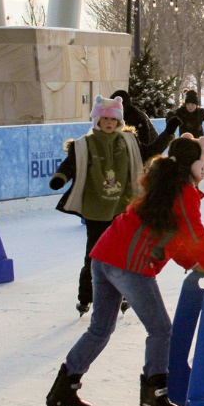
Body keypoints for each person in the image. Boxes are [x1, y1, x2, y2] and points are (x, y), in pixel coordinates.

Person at [43, 135, 204, 406]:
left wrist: (193, 265)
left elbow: (174, 238)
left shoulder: (161, 185)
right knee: (161, 331)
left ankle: (64, 390)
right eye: (203, 163)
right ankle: (155, 402)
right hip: (128, 266)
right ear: (195, 166)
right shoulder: (183, 193)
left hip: (104, 257)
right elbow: (195, 237)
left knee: (100, 329)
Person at [49, 95, 153, 316]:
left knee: (122, 254)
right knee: (94, 256)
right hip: (96, 211)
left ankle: (123, 294)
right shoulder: (85, 144)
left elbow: (149, 152)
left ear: (119, 122)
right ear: (97, 120)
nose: (109, 123)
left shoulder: (126, 142)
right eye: (105, 118)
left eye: (113, 119)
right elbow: (71, 164)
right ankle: (86, 297)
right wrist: (61, 177)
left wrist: (169, 131)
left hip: (121, 210)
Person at [155, 89, 204, 154]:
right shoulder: (181, 112)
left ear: (196, 104)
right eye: (188, 104)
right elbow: (170, 124)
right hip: (184, 147)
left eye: (192, 104)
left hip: (198, 146)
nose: (190, 107)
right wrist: (169, 117)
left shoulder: (201, 113)